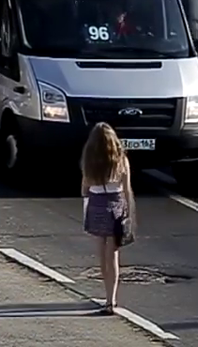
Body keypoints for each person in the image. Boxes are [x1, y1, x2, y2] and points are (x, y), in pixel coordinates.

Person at [81, 122, 136, 314]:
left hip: (96, 205)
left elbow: (85, 187)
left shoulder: (89, 161)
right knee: (113, 254)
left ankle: (106, 296)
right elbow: (127, 189)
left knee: (101, 255)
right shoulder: (121, 161)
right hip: (116, 206)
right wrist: (129, 213)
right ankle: (111, 299)